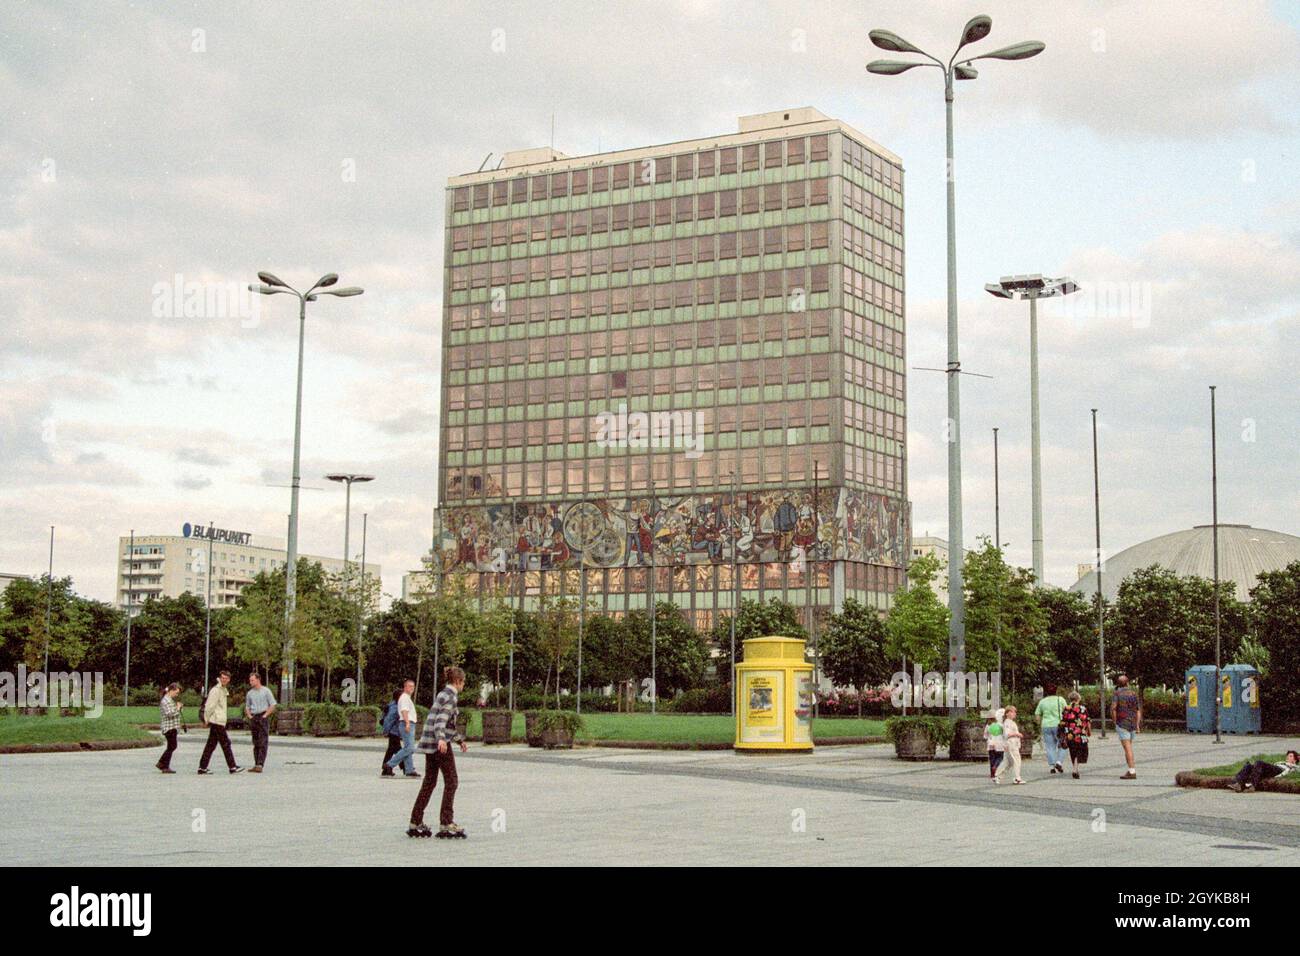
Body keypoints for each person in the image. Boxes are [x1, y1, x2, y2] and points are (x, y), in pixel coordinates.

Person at [406, 666, 469, 838]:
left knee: (429, 782)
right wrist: (441, 739)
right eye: (463, 682)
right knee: (452, 781)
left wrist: (459, 740)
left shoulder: (442, 694)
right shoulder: (450, 697)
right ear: (458, 681)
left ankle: (415, 820)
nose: (464, 686)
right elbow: (441, 722)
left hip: (429, 744)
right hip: (439, 744)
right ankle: (446, 822)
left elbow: (445, 723)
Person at [198, 671, 244, 775]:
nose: (224, 680)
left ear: (229, 680)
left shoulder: (223, 690)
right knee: (225, 744)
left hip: (219, 721)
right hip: (217, 721)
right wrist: (206, 718)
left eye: (226, 678)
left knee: (211, 745)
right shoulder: (216, 690)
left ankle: (202, 767)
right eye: (222, 678)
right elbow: (209, 706)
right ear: (220, 678)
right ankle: (232, 766)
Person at [385, 679, 420, 778]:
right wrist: (407, 723)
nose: (412, 688)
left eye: (413, 686)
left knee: (408, 748)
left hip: (407, 723)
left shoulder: (406, 697)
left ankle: (409, 770)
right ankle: (389, 764)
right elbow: (404, 711)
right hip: (406, 723)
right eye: (409, 686)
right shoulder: (404, 697)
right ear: (405, 687)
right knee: (409, 748)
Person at [243, 672, 277, 773]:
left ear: (258, 680)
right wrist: (249, 716)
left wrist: (266, 715)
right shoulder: (250, 693)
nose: (250, 682)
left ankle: (260, 763)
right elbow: (247, 706)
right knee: (256, 741)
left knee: (263, 741)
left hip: (263, 715)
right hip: (254, 717)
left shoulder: (266, 691)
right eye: (250, 680)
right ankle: (256, 763)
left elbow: (273, 704)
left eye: (252, 680)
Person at [1111, 675, 1142, 780]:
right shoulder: (1134, 693)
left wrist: (1115, 721)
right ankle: (1130, 769)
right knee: (1128, 747)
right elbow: (1138, 710)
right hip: (1132, 723)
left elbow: (1114, 708)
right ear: (1128, 683)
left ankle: (1132, 771)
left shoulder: (1117, 693)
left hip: (1122, 723)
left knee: (1127, 748)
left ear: (1118, 684)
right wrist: (1137, 725)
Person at [1035, 683, 1069, 774]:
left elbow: (1037, 715)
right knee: (1063, 744)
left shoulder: (1043, 701)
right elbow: (1067, 711)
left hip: (1046, 725)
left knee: (1050, 746)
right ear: (1056, 691)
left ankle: (1052, 766)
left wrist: (1040, 723)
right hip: (1059, 725)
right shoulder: (1060, 699)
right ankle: (1059, 762)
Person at [1059, 690, 1092, 779]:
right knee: (1080, 751)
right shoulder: (1082, 708)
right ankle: (1075, 769)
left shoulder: (1066, 708)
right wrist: (1089, 731)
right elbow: (1087, 720)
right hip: (1080, 733)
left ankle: (1075, 768)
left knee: (1073, 752)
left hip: (1069, 734)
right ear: (1078, 699)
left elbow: (1063, 721)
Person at [1229, 751, 1300, 792]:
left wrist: (1293, 766)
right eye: (1287, 756)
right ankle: (1237, 783)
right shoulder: (1281, 762)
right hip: (1272, 769)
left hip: (1278, 770)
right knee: (1249, 766)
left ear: (1295, 760)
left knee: (1259, 762)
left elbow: (1296, 770)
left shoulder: (1294, 766)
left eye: (1290, 756)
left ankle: (1252, 785)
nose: (1287, 757)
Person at [993, 705, 1024, 785]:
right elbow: (1007, 734)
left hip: (1010, 744)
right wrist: (1017, 734)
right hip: (1011, 744)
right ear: (1007, 713)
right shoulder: (1007, 722)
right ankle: (1017, 778)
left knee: (1008, 762)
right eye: (1012, 712)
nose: (1014, 714)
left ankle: (997, 776)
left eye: (1014, 712)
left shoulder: (1010, 722)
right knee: (1016, 760)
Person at [156, 683, 183, 773]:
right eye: (176, 692)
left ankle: (163, 764)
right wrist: (178, 708)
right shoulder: (165, 700)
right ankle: (162, 764)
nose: (177, 695)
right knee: (172, 746)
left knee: (171, 746)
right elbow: (169, 714)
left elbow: (174, 711)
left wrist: (178, 708)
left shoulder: (170, 700)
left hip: (173, 726)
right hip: (169, 727)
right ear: (171, 690)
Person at [380, 688, 403, 777]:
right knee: (399, 750)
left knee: (392, 750)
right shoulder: (395, 707)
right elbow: (389, 720)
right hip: (393, 731)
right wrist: (386, 731)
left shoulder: (393, 705)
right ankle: (405, 767)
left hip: (393, 731)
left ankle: (386, 768)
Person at [983, 708, 1005, 780]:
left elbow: (985, 736)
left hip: (990, 744)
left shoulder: (988, 726)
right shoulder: (1000, 725)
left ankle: (992, 774)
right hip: (999, 744)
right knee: (1000, 757)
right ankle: (996, 767)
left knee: (992, 759)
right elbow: (1004, 734)